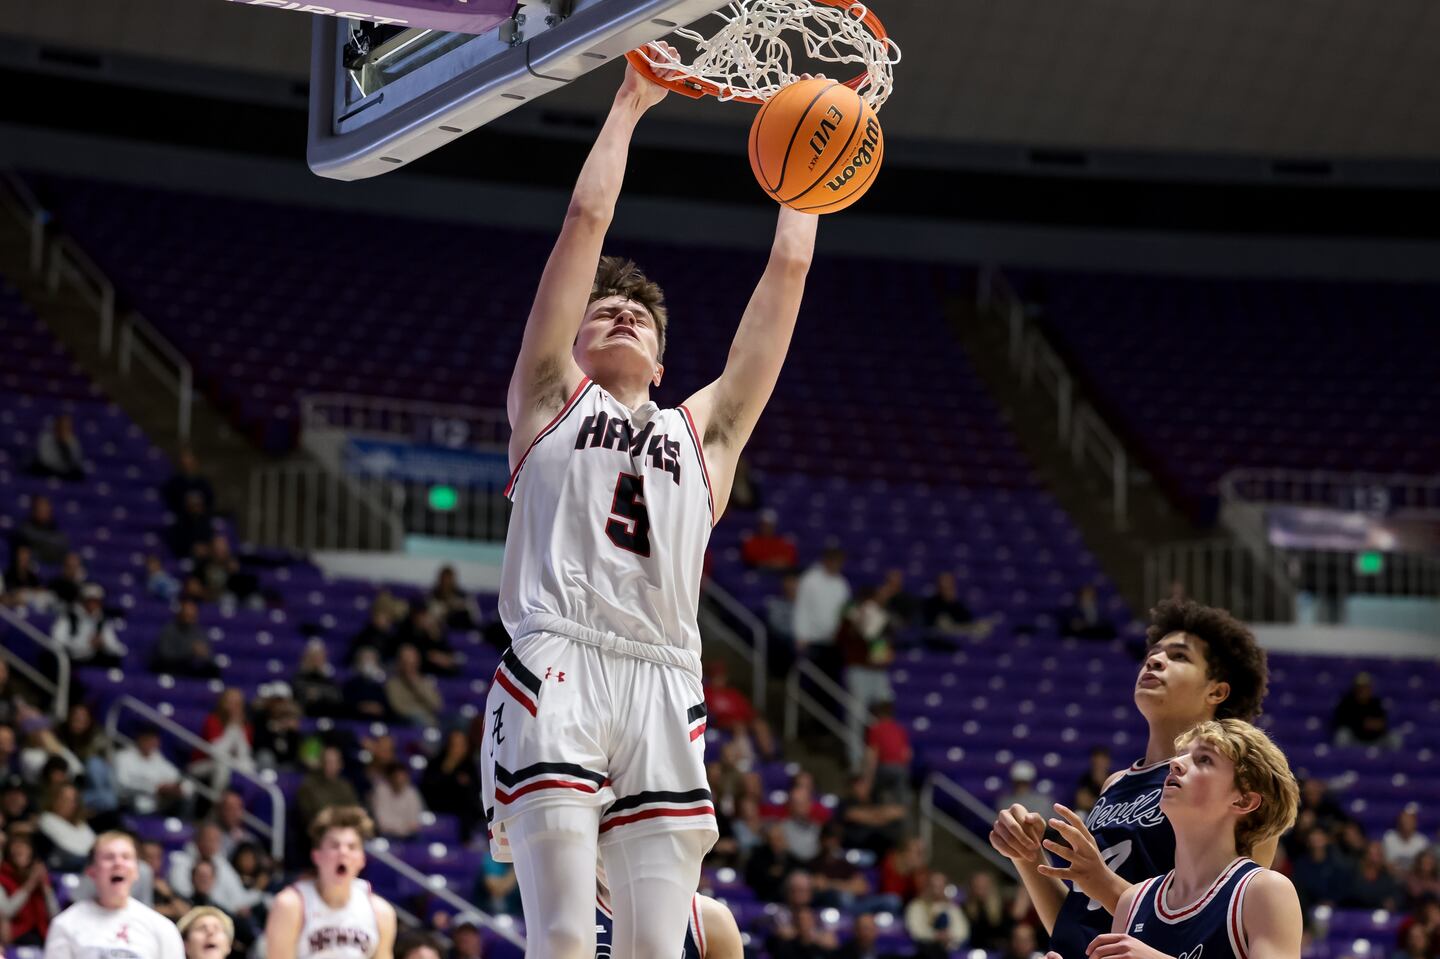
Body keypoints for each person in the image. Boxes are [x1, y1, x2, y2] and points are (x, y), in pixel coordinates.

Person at [479, 44, 818, 959]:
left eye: (642, 318)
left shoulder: (703, 435)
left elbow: (782, 286)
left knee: (656, 948)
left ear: (665, 365)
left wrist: (809, 185)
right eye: (604, 312)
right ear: (576, 342)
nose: (623, 314)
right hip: (561, 654)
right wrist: (629, 104)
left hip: (667, 674)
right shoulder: (550, 398)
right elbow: (586, 219)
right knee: (558, 936)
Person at [991, 598, 1271, 959]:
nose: (1154, 661)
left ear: (1216, 691)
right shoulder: (1114, 784)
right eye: (1153, 653)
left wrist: (1105, 885)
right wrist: (1028, 857)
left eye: (1179, 657)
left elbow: (1222, 934)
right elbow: (1078, 919)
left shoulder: (1229, 792)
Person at [1048, 720, 1302, 959]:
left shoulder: (1264, 890)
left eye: (1204, 759)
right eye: (1182, 754)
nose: (1176, 763)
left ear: (1243, 800)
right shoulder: (1132, 901)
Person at [263, 806, 396, 959]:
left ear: (362, 859)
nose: (343, 852)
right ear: (316, 856)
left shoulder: (381, 912)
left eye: (351, 847)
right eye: (334, 846)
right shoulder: (291, 905)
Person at [42, 831, 184, 959]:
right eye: (109, 857)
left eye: (126, 857)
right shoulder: (65, 924)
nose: (118, 863)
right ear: (91, 871)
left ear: (136, 871)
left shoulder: (162, 927)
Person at [793, 546, 851, 677]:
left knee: (831, 677)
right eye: (835, 561)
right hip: (813, 640)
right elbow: (802, 607)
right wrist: (801, 635)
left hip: (834, 641)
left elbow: (845, 611)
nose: (838, 565)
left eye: (840, 562)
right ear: (827, 561)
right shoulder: (810, 580)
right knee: (813, 677)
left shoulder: (842, 584)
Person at [113, 726, 192, 815]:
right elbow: (122, 783)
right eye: (148, 740)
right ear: (140, 739)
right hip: (131, 804)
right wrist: (155, 788)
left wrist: (178, 788)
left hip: (159, 805)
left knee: (186, 795)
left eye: (154, 741)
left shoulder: (157, 758)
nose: (151, 744)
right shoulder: (123, 757)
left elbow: (177, 777)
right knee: (141, 804)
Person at [50, 584, 127, 668]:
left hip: (91, 660)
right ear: (83, 600)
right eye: (91, 600)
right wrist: (86, 644)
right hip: (72, 660)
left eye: (97, 601)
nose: (94, 604)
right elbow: (57, 641)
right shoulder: (69, 617)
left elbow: (118, 648)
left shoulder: (102, 621)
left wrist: (103, 644)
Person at [1, 832, 57, 946]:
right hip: (17, 934)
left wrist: (45, 888)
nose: (19, 850)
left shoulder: (41, 876)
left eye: (23, 847)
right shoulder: (2, 877)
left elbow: (55, 915)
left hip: (43, 933)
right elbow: (6, 912)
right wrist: (30, 884)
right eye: (15, 850)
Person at [296, 747, 361, 839]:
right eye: (328, 762)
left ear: (340, 764)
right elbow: (318, 815)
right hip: (320, 834)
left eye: (335, 762)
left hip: (346, 830)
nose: (331, 765)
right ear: (321, 763)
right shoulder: (309, 786)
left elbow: (356, 810)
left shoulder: (345, 785)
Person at [151, 600, 220, 678]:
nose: (188, 620)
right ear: (180, 615)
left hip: (191, 667)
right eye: (186, 616)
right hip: (174, 667)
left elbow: (209, 656)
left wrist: (203, 654)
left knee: (213, 670)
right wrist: (190, 651)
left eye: (191, 617)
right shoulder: (169, 630)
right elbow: (165, 655)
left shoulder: (200, 633)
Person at [1332, 672, 1397, 747]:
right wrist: (1363, 723)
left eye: (1366, 687)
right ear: (1355, 688)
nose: (1363, 690)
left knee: (1394, 737)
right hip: (1354, 741)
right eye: (1361, 687)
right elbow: (1340, 723)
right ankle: (1343, 757)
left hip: (1376, 741)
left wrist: (1372, 724)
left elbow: (1382, 723)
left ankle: (1393, 758)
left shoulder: (1376, 703)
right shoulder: (1346, 703)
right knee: (1342, 735)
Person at [384, 644, 443, 726]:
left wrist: (416, 685)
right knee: (419, 718)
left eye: (413, 662)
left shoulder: (425, 681)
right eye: (406, 662)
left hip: (432, 719)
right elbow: (398, 708)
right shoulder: (393, 683)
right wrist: (420, 712)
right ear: (400, 663)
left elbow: (437, 706)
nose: (410, 666)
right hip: (410, 721)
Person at [369, 762, 425, 839]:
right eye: (397, 777)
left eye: (403, 777)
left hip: (409, 835)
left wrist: (404, 829)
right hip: (387, 835)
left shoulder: (412, 792)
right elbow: (382, 822)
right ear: (390, 778)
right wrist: (402, 828)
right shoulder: (380, 791)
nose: (400, 780)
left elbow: (414, 822)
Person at [14, 497, 69, 566]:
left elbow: (63, 541)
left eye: (46, 509)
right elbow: (29, 536)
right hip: (32, 565)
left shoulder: (55, 527)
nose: (44, 512)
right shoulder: (25, 527)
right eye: (41, 509)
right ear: (34, 511)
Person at [32, 414, 86, 481]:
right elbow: (45, 459)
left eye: (66, 427)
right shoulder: (46, 438)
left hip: (66, 471)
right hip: (50, 469)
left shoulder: (72, 440)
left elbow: (76, 460)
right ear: (57, 426)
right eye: (62, 426)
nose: (64, 428)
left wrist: (65, 444)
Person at [1384, 807, 1431, 872]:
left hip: (1415, 878)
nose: (1406, 823)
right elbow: (1383, 861)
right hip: (1392, 876)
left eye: (1409, 820)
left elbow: (1425, 865)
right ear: (1399, 821)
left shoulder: (1422, 841)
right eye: (1404, 820)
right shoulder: (1389, 838)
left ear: (1415, 823)